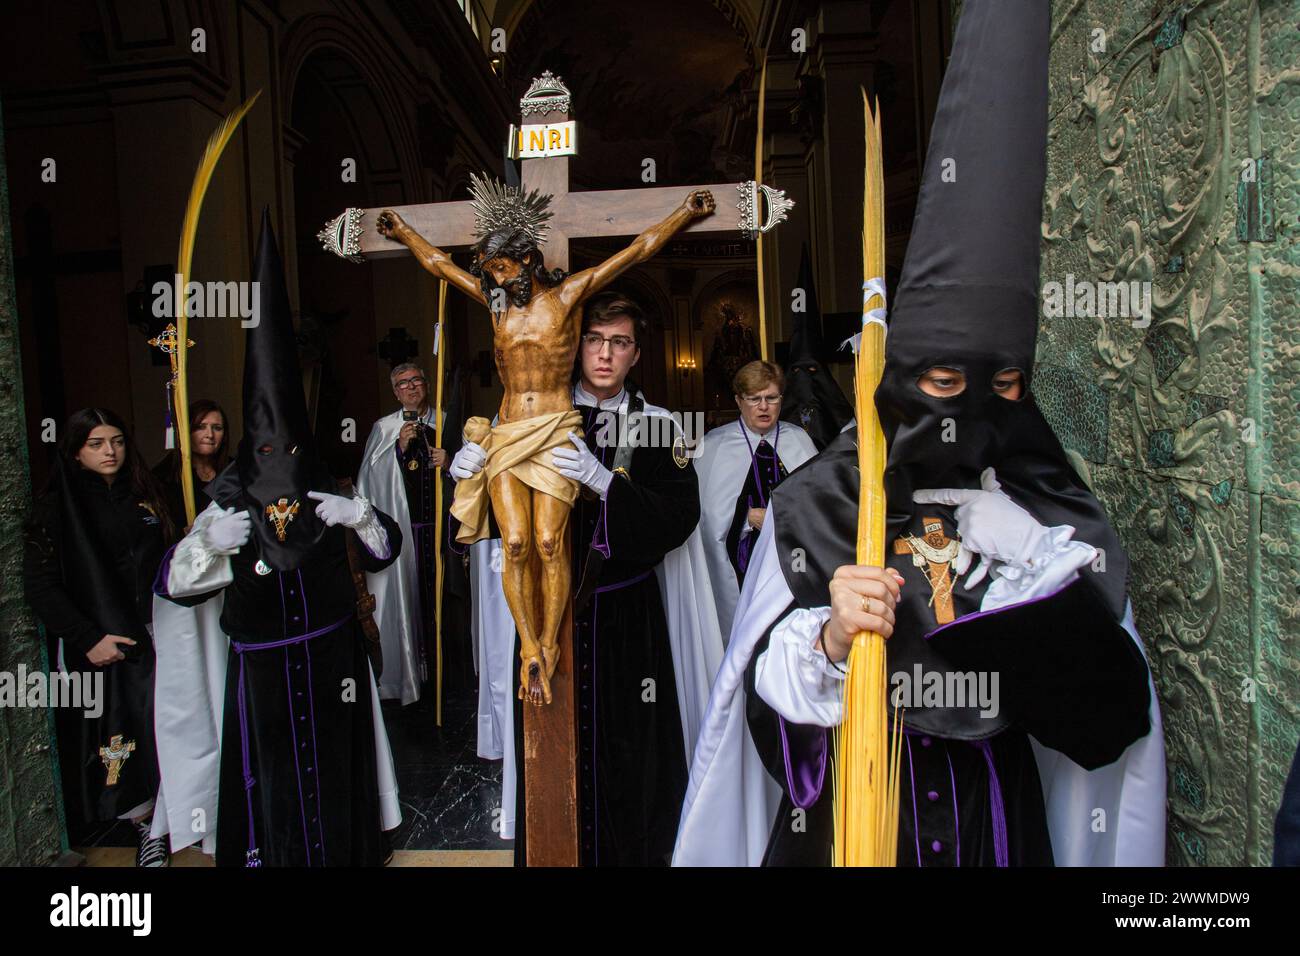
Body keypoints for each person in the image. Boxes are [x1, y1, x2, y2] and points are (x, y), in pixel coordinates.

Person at [674, 0, 1166, 867]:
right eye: (943, 383)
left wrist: (1045, 573)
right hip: (865, 816)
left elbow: (1105, 724)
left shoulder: (1039, 508)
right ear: (900, 382)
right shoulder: (819, 504)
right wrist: (829, 637)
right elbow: (764, 717)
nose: (970, 407)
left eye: (1003, 386)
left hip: (994, 821)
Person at [150, 210, 403, 866]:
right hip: (259, 670)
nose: (278, 457)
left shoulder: (322, 482)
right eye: (266, 446)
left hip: (332, 662)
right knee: (273, 793)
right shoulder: (229, 495)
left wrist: (359, 517)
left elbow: (385, 550)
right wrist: (211, 542)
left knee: (337, 781)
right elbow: (177, 582)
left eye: (287, 444)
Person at [452, 291, 723, 866]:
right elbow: (507, 533)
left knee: (632, 752)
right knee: (550, 752)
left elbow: (681, 517)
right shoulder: (524, 421)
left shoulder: (656, 427)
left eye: (618, 343)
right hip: (552, 620)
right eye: (594, 342)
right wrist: (472, 474)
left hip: (626, 617)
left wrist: (607, 483)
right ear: (575, 350)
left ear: (636, 355)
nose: (604, 355)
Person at [24, 407, 176, 866]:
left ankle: (177, 816)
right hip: (105, 645)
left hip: (159, 632)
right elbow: (41, 585)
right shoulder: (57, 507)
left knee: (164, 728)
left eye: (116, 441)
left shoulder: (145, 495)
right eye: (96, 443)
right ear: (75, 451)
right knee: (120, 737)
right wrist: (88, 638)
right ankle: (146, 824)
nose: (109, 451)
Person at [694, 360, 817, 641]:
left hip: (790, 563)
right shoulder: (714, 445)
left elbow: (820, 505)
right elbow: (705, 518)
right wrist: (746, 519)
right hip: (741, 564)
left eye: (771, 398)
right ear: (739, 401)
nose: (763, 406)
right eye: (754, 399)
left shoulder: (799, 441)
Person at [356, 362, 454, 704]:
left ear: (426, 384)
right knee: (410, 599)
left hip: (442, 531)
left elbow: (476, 469)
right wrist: (397, 449)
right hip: (407, 532)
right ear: (395, 392)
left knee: (444, 601)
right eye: (403, 384)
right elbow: (370, 481)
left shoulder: (446, 421)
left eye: (416, 380)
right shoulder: (384, 428)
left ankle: (449, 673)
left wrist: (451, 461)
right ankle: (415, 673)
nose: (411, 387)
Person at [153, 398, 230, 524]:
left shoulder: (234, 471)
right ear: (186, 431)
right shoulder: (165, 476)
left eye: (217, 428)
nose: (210, 434)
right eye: (201, 427)